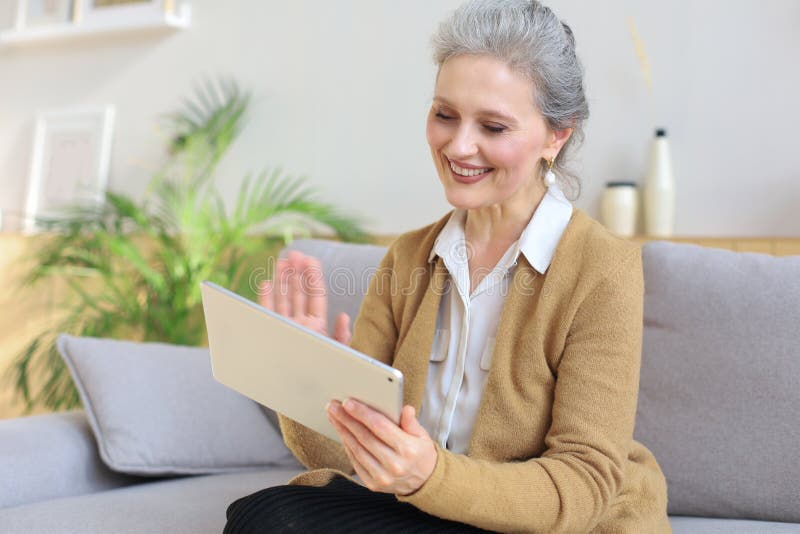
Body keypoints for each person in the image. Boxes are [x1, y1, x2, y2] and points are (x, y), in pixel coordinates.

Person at [224, 0, 671, 532]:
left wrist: (428, 474)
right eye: (445, 114)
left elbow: (580, 485)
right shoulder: (408, 259)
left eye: (494, 126)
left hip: (541, 521)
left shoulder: (603, 270)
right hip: (421, 508)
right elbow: (346, 458)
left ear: (557, 135)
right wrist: (300, 378)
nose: (459, 145)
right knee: (265, 518)